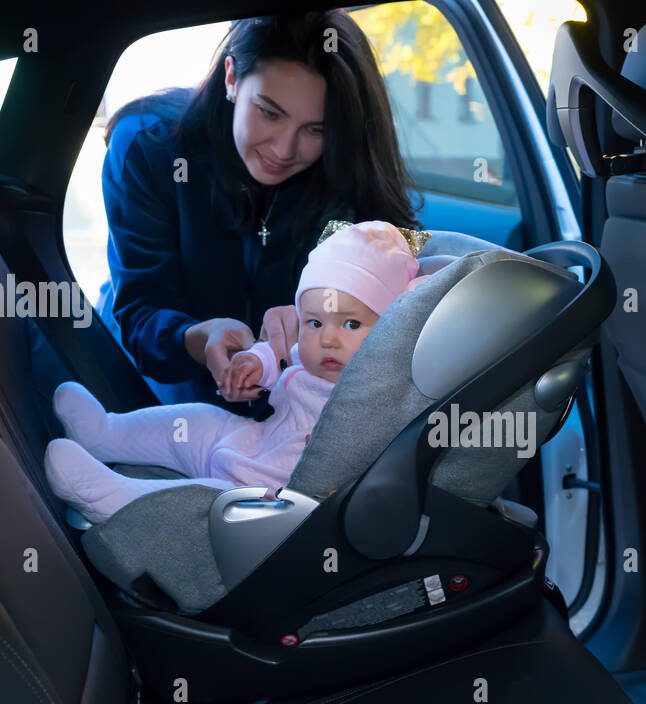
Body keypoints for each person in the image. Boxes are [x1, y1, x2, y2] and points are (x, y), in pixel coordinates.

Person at [100, 13, 420, 413]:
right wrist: (199, 336)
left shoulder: (346, 173)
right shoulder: (150, 149)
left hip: (291, 394)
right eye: (269, 112)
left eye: (315, 130)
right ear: (231, 78)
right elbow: (142, 314)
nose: (284, 150)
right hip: (162, 384)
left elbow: (384, 285)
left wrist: (318, 314)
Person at [45, 221, 430, 523]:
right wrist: (254, 363)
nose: (327, 339)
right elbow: (282, 355)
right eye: (314, 322)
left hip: (275, 493)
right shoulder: (312, 354)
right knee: (199, 420)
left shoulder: (381, 388)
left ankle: (111, 497)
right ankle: (104, 433)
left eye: (350, 325)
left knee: (207, 500)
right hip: (255, 441)